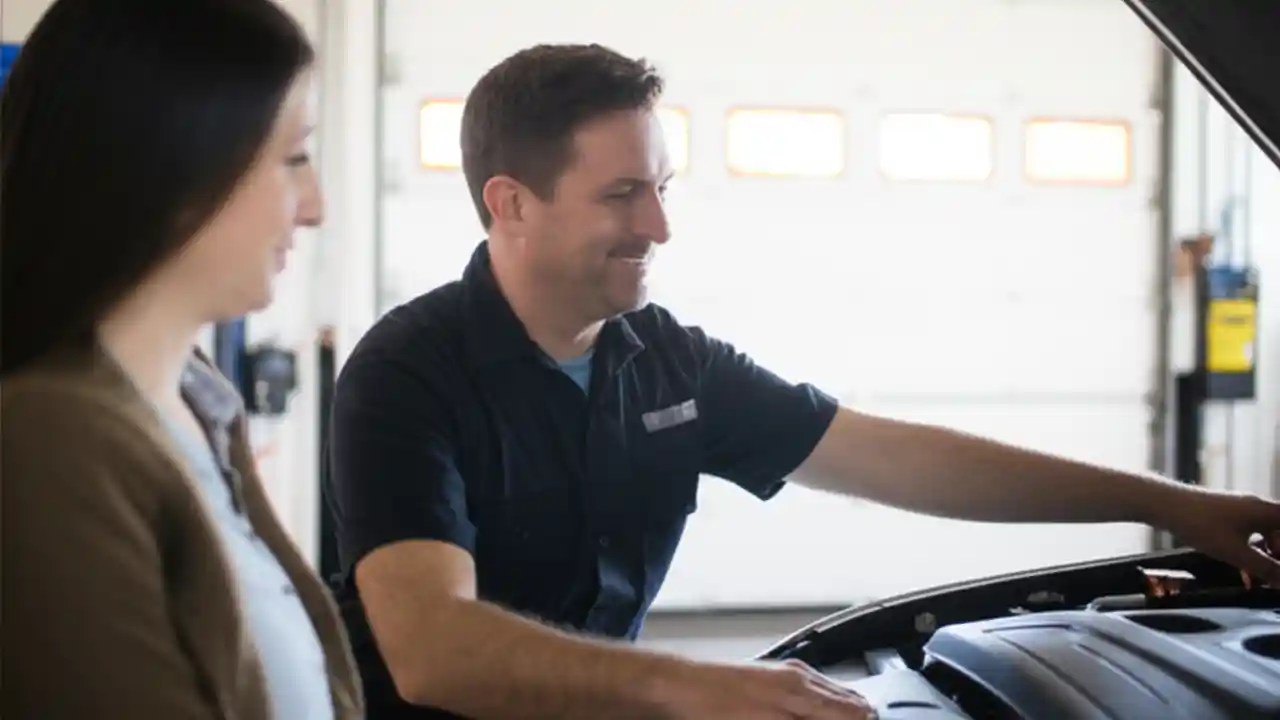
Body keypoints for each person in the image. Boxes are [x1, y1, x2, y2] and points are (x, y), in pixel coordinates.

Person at [325, 43, 1280, 720]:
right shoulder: (407, 375)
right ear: (510, 203)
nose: (660, 227)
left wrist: (1173, 506)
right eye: (622, 194)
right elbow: (433, 651)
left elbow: (900, 460)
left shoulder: (669, 361)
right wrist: (693, 685)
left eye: (663, 187)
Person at [1, 1, 362, 718]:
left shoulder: (201, 400)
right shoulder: (51, 437)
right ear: (175, 161)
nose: (314, 206)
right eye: (293, 158)